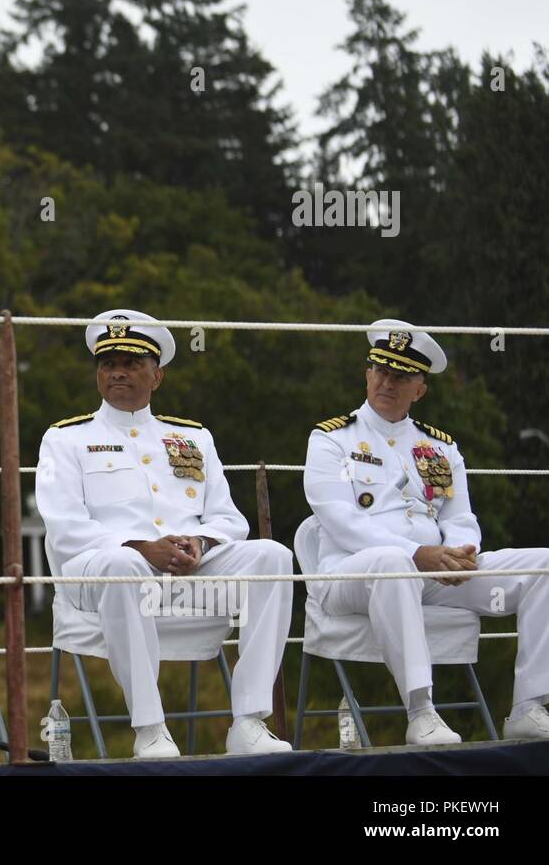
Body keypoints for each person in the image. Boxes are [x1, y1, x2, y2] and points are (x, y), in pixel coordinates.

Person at [35, 310, 293, 757]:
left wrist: (201, 542)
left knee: (272, 556)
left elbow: (229, 519)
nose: (117, 371)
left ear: (157, 376)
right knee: (124, 564)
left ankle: (249, 721)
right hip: (104, 570)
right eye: (107, 362)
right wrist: (140, 547)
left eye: (132, 363)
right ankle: (150, 728)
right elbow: (65, 525)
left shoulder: (192, 438)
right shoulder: (66, 439)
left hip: (188, 571)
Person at [303, 319, 549, 744]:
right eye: (381, 371)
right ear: (367, 374)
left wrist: (459, 553)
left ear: (420, 389)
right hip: (350, 575)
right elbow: (340, 520)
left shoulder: (440, 448)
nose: (388, 382)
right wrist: (419, 554)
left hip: (432, 574)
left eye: (402, 376)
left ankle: (528, 706)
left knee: (543, 565)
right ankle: (421, 711)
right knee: (394, 561)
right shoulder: (332, 439)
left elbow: (459, 518)